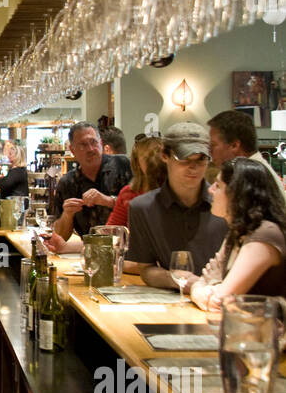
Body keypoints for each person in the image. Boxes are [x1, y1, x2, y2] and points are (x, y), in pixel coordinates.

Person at [127, 122, 227, 287]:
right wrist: (177, 279)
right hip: (173, 304)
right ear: (164, 156)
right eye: (184, 159)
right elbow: (146, 269)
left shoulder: (227, 205)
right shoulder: (142, 208)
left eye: (201, 159)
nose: (193, 167)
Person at [190, 158, 286, 309]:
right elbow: (205, 279)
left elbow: (221, 299)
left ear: (237, 193)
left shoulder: (265, 234)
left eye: (218, 185)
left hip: (268, 329)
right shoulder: (239, 231)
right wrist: (199, 289)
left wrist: (201, 289)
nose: (210, 190)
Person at [45, 122, 131, 249]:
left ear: (101, 144)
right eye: (83, 145)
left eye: (94, 142)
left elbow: (142, 208)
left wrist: (109, 201)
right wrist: (67, 215)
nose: (91, 149)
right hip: (90, 255)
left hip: (127, 253)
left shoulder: (122, 165)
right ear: (72, 150)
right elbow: (60, 236)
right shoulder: (68, 182)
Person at [207, 110, 286, 205]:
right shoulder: (248, 170)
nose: (209, 151)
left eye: (213, 145)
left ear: (234, 146)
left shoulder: (252, 178)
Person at [107, 135, 165, 228]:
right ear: (137, 163)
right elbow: (111, 232)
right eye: (147, 159)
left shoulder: (175, 191)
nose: (154, 163)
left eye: (158, 158)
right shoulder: (128, 194)